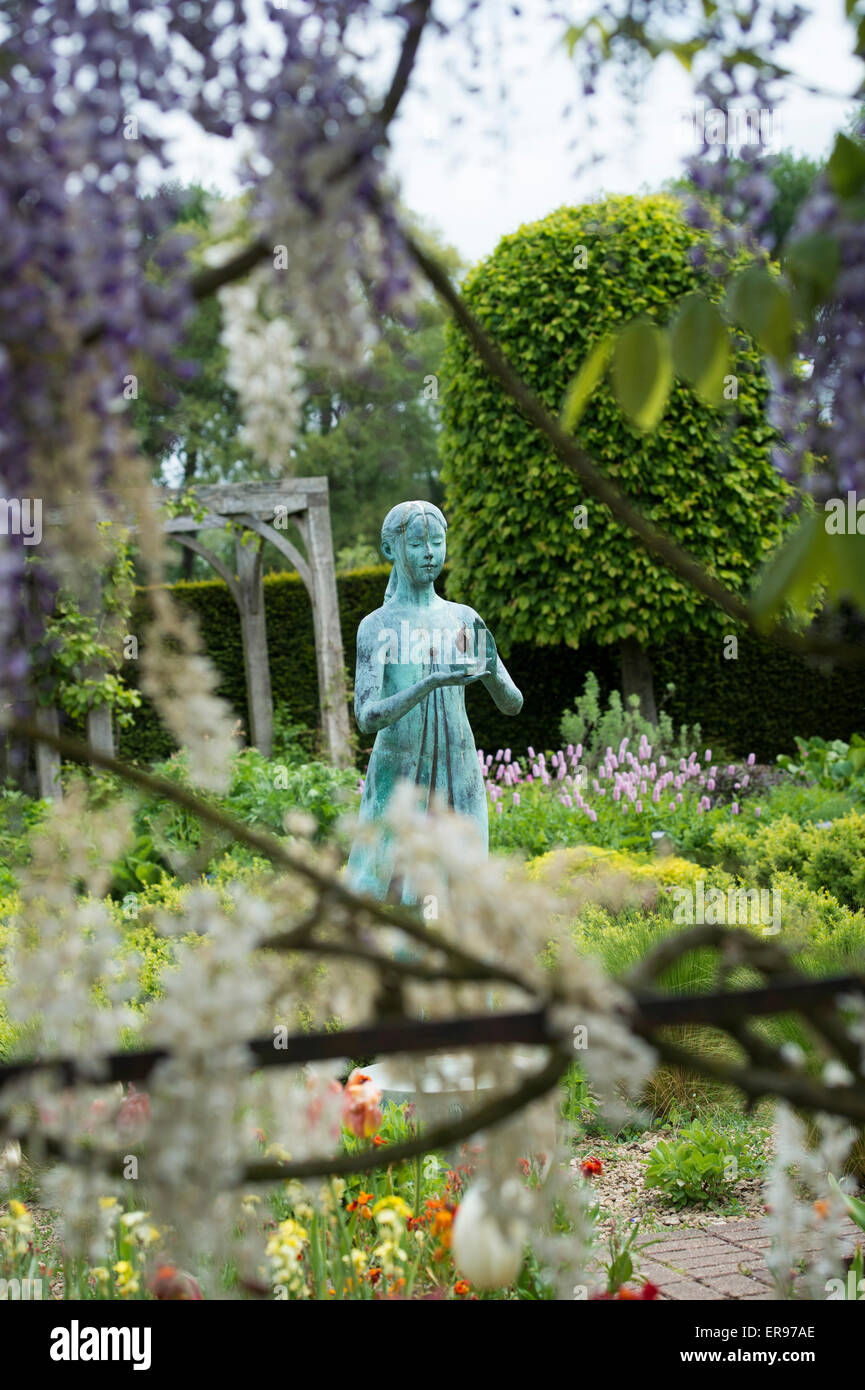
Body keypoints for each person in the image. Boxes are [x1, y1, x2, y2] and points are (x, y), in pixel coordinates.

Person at [346, 499, 523, 901]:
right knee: (394, 883)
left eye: (438, 542)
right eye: (417, 543)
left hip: (458, 766)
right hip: (400, 771)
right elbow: (366, 716)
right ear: (391, 549)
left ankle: (450, 958)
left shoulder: (463, 618)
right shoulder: (377, 627)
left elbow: (512, 704)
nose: (429, 553)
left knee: (459, 885)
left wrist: (492, 666)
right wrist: (429, 685)